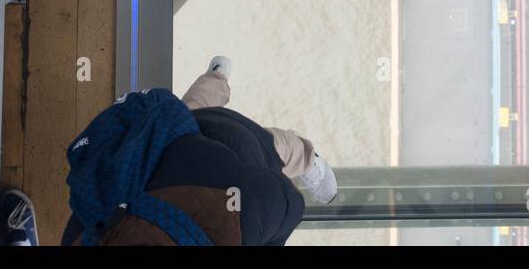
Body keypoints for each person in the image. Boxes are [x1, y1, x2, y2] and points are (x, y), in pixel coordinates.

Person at [62, 57, 333, 247]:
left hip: (236, 143)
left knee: (279, 147)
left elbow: (289, 203)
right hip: (172, 137)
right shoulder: (85, 236)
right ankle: (217, 76)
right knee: (195, 108)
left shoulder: (235, 222)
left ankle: (308, 158)